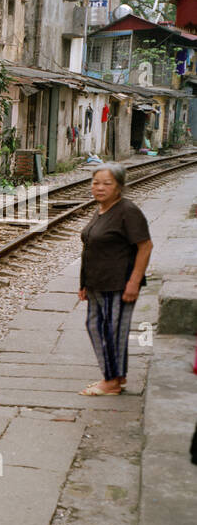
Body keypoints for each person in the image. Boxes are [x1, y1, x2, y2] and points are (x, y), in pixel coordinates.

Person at [77, 163, 153, 395]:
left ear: (119, 187)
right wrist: (83, 284)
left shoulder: (127, 211)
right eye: (96, 183)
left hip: (118, 284)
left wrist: (134, 282)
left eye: (107, 183)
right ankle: (116, 377)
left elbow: (145, 246)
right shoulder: (101, 209)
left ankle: (111, 382)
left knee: (112, 331)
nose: (99, 188)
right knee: (96, 327)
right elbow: (92, 247)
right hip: (97, 284)